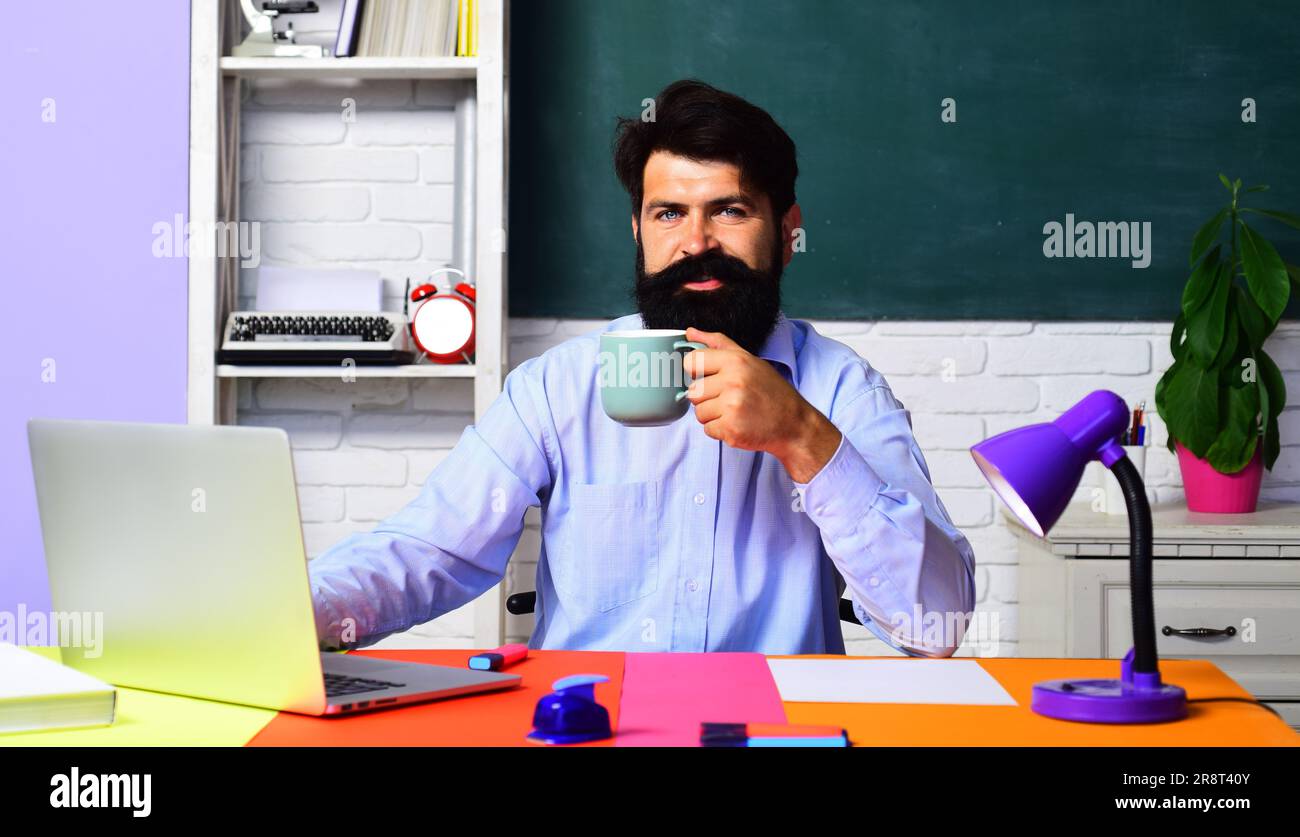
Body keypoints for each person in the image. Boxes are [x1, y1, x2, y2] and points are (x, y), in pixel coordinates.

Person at [309, 79, 975, 656]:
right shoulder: (557, 390)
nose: (697, 242)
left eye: (731, 210)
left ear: (787, 229)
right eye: (669, 214)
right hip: (590, 726)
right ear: (638, 231)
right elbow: (429, 550)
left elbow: (934, 623)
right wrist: (290, 613)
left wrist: (802, 435)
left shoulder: (840, 388)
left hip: (773, 730)